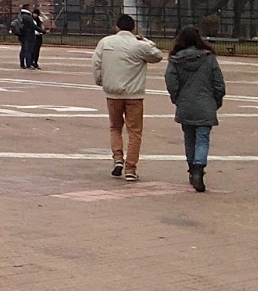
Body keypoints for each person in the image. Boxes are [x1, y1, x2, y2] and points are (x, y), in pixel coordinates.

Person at [92, 14, 165, 182]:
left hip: (113, 92)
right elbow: (157, 55)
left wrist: (100, 80)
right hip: (134, 93)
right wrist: (145, 40)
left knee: (115, 127)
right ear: (133, 29)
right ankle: (131, 168)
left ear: (117, 27)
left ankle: (117, 158)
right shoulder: (139, 45)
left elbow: (96, 63)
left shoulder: (105, 42)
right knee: (135, 132)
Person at [165, 26, 226, 193]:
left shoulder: (175, 59)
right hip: (206, 103)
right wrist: (216, 100)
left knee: (189, 138)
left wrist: (177, 98)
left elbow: (170, 81)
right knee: (203, 138)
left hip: (185, 104)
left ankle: (192, 167)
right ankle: (199, 166)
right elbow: (218, 82)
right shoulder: (209, 58)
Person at [12, 3, 34, 69]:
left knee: (23, 49)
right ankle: (28, 64)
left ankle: (22, 64)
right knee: (28, 50)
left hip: (22, 35)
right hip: (27, 35)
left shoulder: (20, 15)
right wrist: (41, 30)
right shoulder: (27, 16)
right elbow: (32, 26)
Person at [27, 4, 46, 68]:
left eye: (36, 14)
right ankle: (31, 62)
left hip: (39, 36)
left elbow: (45, 18)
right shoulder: (31, 20)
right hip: (33, 36)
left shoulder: (39, 20)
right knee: (33, 50)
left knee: (37, 50)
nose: (35, 15)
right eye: (34, 13)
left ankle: (35, 62)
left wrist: (42, 31)